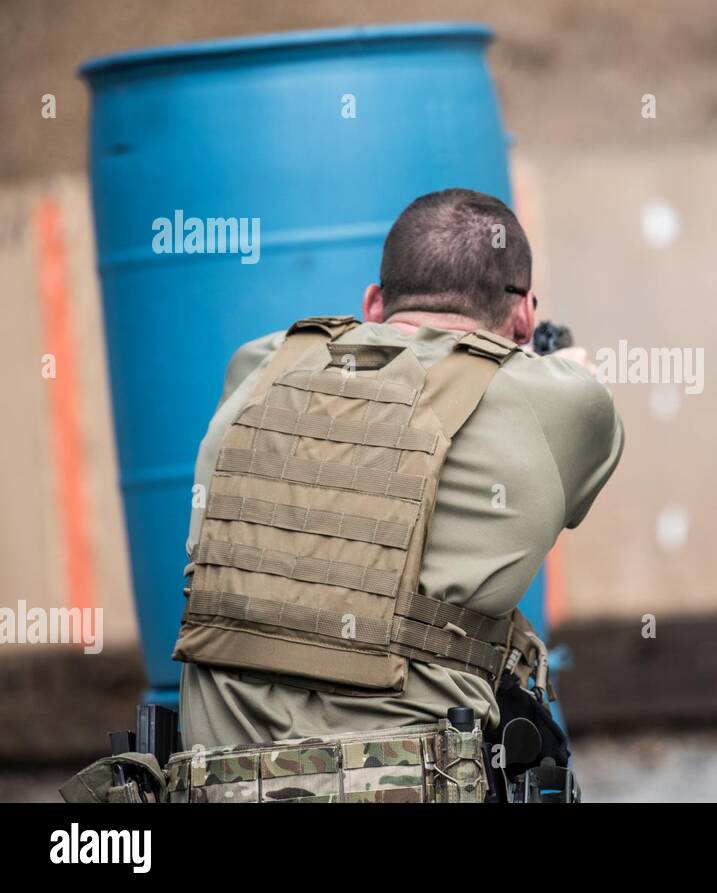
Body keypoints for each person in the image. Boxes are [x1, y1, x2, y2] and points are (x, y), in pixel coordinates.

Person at [171, 188, 622, 801]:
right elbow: (578, 396)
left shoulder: (255, 369)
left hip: (215, 788)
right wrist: (563, 364)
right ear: (522, 318)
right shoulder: (562, 404)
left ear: (372, 304)